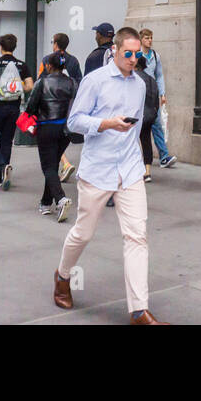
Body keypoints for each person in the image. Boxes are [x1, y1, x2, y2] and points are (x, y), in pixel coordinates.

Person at [53, 26, 167, 324]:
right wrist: (105, 124)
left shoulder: (141, 84)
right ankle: (63, 276)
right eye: (127, 53)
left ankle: (139, 310)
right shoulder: (95, 80)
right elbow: (75, 121)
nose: (133, 59)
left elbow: (139, 126)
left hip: (129, 170)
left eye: (137, 54)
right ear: (114, 50)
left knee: (137, 236)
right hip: (98, 169)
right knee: (83, 233)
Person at [24, 52, 77, 221]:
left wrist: (29, 116)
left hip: (46, 127)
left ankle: (61, 199)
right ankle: (46, 202)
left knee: (48, 167)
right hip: (66, 129)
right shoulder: (72, 82)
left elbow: (31, 106)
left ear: (49, 66)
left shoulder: (43, 82)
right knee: (53, 165)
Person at [0, 34, 33, 189]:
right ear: (14, 46)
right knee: (6, 141)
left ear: (1, 46)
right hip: (13, 107)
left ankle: (2, 166)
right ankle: (2, 177)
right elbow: (30, 86)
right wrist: (17, 88)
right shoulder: (22, 65)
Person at [40, 33, 82, 184]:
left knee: (49, 145)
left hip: (50, 108)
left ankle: (63, 165)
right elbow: (79, 81)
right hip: (68, 105)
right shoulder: (74, 60)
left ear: (56, 44)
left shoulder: (47, 60)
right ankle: (63, 164)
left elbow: (41, 81)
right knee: (61, 137)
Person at [138, 29, 176, 169]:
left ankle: (164, 156)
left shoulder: (154, 55)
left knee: (157, 123)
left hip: (152, 95)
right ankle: (135, 157)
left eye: (151, 38)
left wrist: (163, 94)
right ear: (141, 39)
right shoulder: (136, 55)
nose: (150, 40)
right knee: (139, 128)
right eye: (147, 38)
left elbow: (159, 75)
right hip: (140, 94)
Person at [135, 54, 160, 184]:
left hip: (137, 116)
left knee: (132, 143)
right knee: (146, 142)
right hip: (150, 115)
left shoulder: (134, 79)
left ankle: (134, 170)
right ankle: (147, 171)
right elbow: (156, 99)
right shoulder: (152, 80)